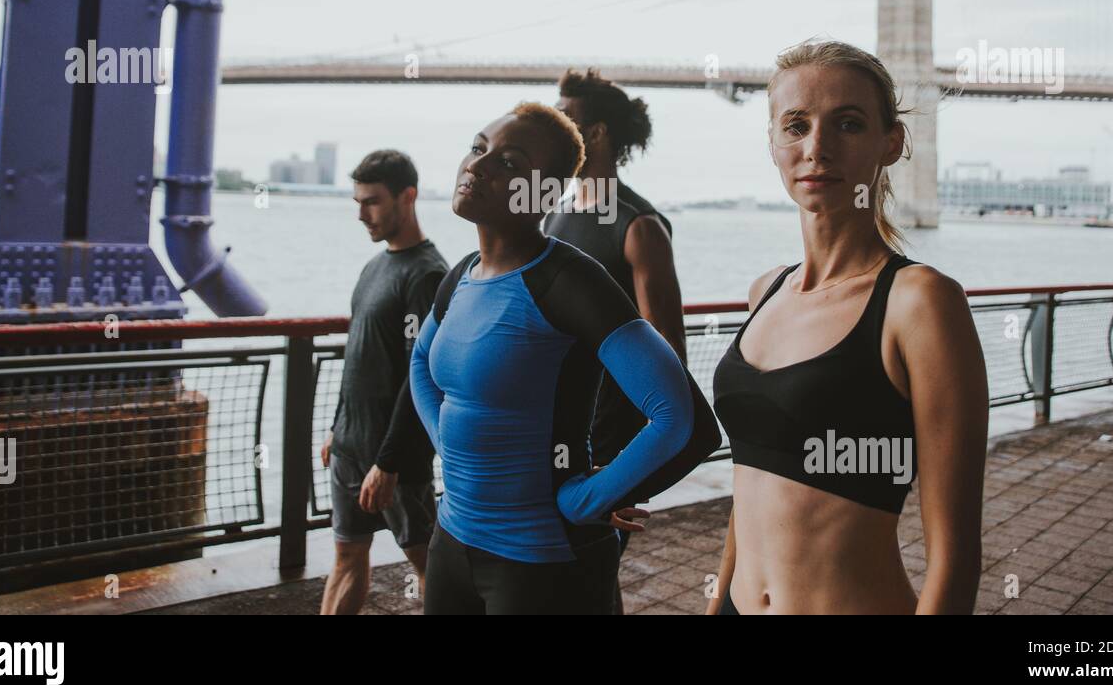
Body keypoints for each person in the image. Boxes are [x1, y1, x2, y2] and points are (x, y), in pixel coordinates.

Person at [708, 40, 988, 615]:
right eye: (795, 125)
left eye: (848, 124)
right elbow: (753, 478)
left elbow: (954, 555)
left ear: (892, 142)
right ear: (774, 144)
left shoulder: (920, 302)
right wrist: (716, 603)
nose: (816, 148)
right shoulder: (766, 292)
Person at [410, 103, 720, 615]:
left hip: (542, 562)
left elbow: (683, 419)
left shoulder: (571, 282)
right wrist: (447, 445)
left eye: (508, 162)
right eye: (477, 147)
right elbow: (421, 364)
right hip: (452, 542)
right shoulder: (461, 276)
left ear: (546, 193)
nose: (477, 166)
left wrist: (594, 497)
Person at [545, 68, 685, 614]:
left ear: (597, 134)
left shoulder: (639, 226)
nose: (554, 129)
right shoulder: (554, 213)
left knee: (588, 583)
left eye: (567, 119)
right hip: (550, 441)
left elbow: (668, 359)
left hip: (605, 452)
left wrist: (629, 471)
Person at [319, 150, 448, 615]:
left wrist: (389, 462)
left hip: (396, 461)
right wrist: (339, 426)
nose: (361, 214)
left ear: (407, 196)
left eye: (371, 201)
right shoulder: (375, 268)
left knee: (429, 565)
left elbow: (423, 373)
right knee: (347, 556)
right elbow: (361, 356)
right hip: (351, 449)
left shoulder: (428, 275)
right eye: (357, 201)